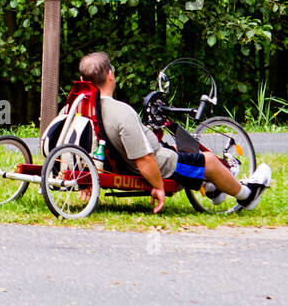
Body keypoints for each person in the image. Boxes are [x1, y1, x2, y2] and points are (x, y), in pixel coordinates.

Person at [78, 51, 271, 215]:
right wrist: (158, 186)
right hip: (159, 166)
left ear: (82, 80)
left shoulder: (81, 107)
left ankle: (214, 187)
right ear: (110, 75)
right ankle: (247, 194)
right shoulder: (121, 112)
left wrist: (88, 175)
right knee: (209, 161)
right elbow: (145, 159)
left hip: (129, 162)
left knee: (184, 149)